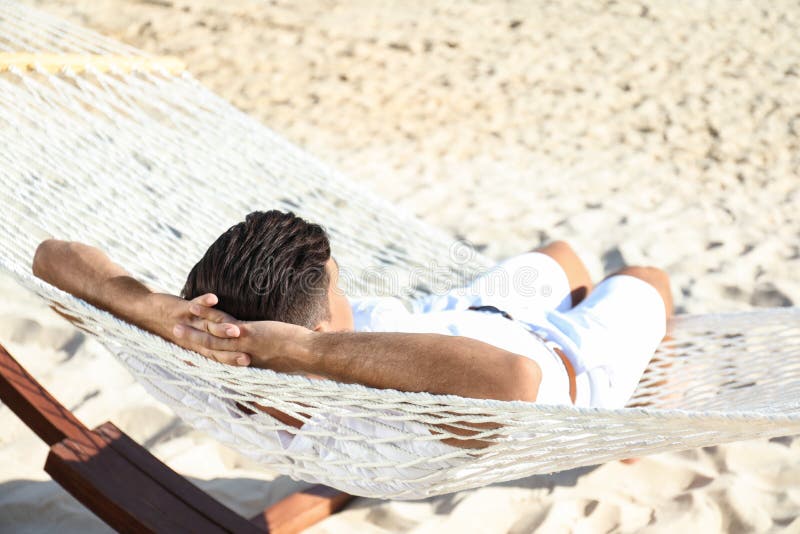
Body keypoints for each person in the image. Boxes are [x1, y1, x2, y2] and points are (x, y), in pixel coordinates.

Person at [32, 210, 672, 493]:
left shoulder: (206, 346)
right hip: (569, 356)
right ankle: (645, 392)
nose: (343, 285)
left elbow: (52, 257)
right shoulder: (351, 398)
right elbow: (515, 380)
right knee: (647, 278)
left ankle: (572, 286)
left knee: (562, 256)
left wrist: (156, 311)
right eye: (337, 285)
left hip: (457, 312)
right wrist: (307, 358)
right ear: (317, 333)